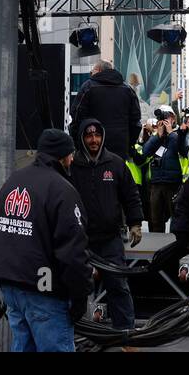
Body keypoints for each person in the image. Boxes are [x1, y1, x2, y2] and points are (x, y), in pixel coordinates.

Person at [0, 129, 92, 352]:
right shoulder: (62, 190)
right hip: (44, 292)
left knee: (23, 346)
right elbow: (73, 253)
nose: (72, 159)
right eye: (70, 154)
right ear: (62, 156)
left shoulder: (13, 181)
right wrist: (80, 296)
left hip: (12, 285)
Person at [69, 118, 144, 330]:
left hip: (110, 240)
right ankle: (73, 334)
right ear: (82, 138)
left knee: (118, 286)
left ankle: (126, 335)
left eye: (97, 135)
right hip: (81, 241)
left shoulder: (116, 163)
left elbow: (131, 195)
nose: (93, 140)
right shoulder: (72, 165)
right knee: (76, 287)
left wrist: (135, 223)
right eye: (89, 135)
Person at [70, 59, 141, 160]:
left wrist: (78, 143)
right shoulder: (128, 90)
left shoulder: (88, 87)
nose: (91, 74)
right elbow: (136, 122)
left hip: (93, 148)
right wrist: (129, 144)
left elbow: (77, 117)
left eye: (92, 71)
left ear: (98, 70)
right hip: (120, 148)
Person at [142, 107, 184, 232]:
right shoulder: (158, 136)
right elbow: (145, 152)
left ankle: (174, 244)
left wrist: (171, 132)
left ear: (174, 119)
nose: (165, 120)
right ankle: (157, 246)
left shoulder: (178, 134)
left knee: (175, 216)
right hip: (156, 183)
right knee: (156, 218)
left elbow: (180, 148)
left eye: (169, 117)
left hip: (173, 183)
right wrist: (157, 136)